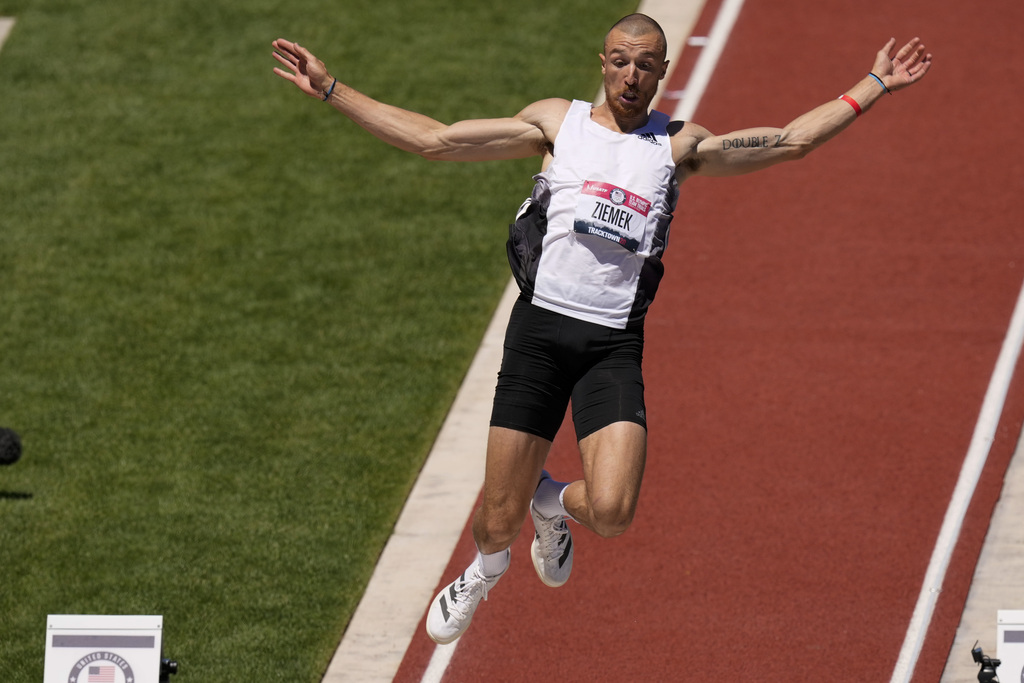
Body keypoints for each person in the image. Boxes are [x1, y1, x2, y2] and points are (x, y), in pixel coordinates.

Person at [272, 14, 932, 645]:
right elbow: (435, 141)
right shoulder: (556, 123)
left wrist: (874, 83)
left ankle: (552, 502)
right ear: (603, 63)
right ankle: (487, 569)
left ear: (663, 72)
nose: (630, 75)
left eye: (645, 65)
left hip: (611, 346)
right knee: (495, 524)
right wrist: (332, 89)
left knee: (613, 512)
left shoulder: (680, 147)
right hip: (538, 335)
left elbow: (789, 141)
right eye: (619, 61)